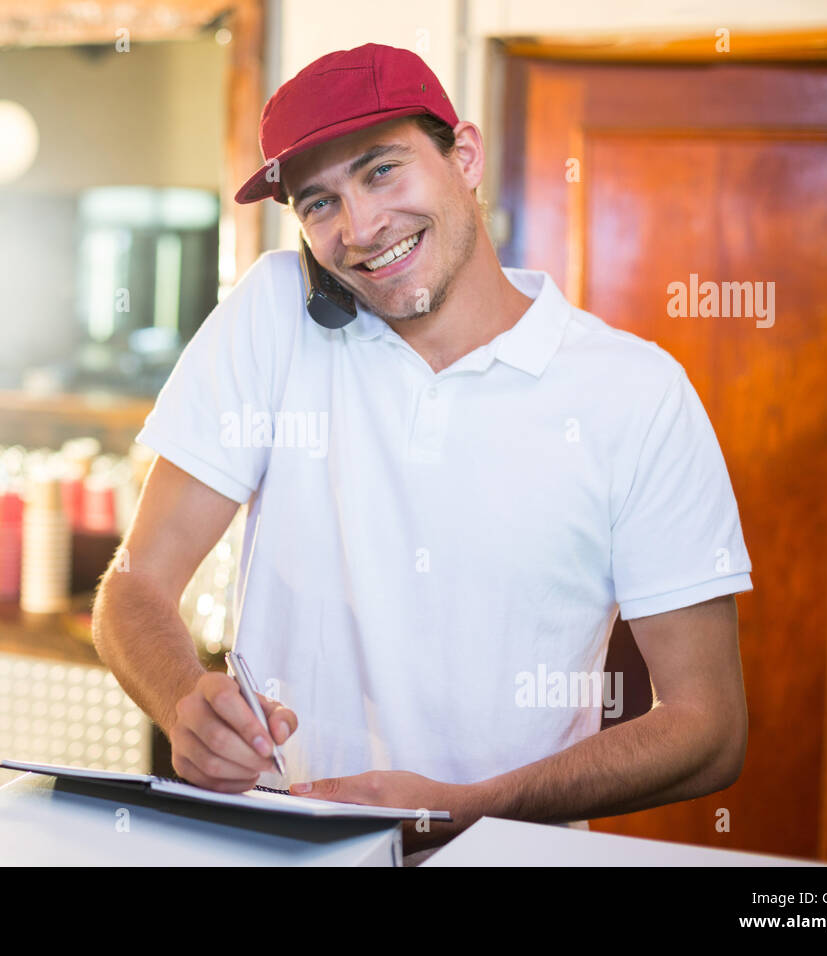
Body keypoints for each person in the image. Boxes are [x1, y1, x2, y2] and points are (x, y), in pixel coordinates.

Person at [92, 42, 752, 860]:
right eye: (318, 204)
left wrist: (469, 808)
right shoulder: (272, 312)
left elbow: (709, 728)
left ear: (463, 156)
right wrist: (184, 697)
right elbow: (134, 585)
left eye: (381, 172)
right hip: (279, 850)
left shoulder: (636, 393)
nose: (361, 229)